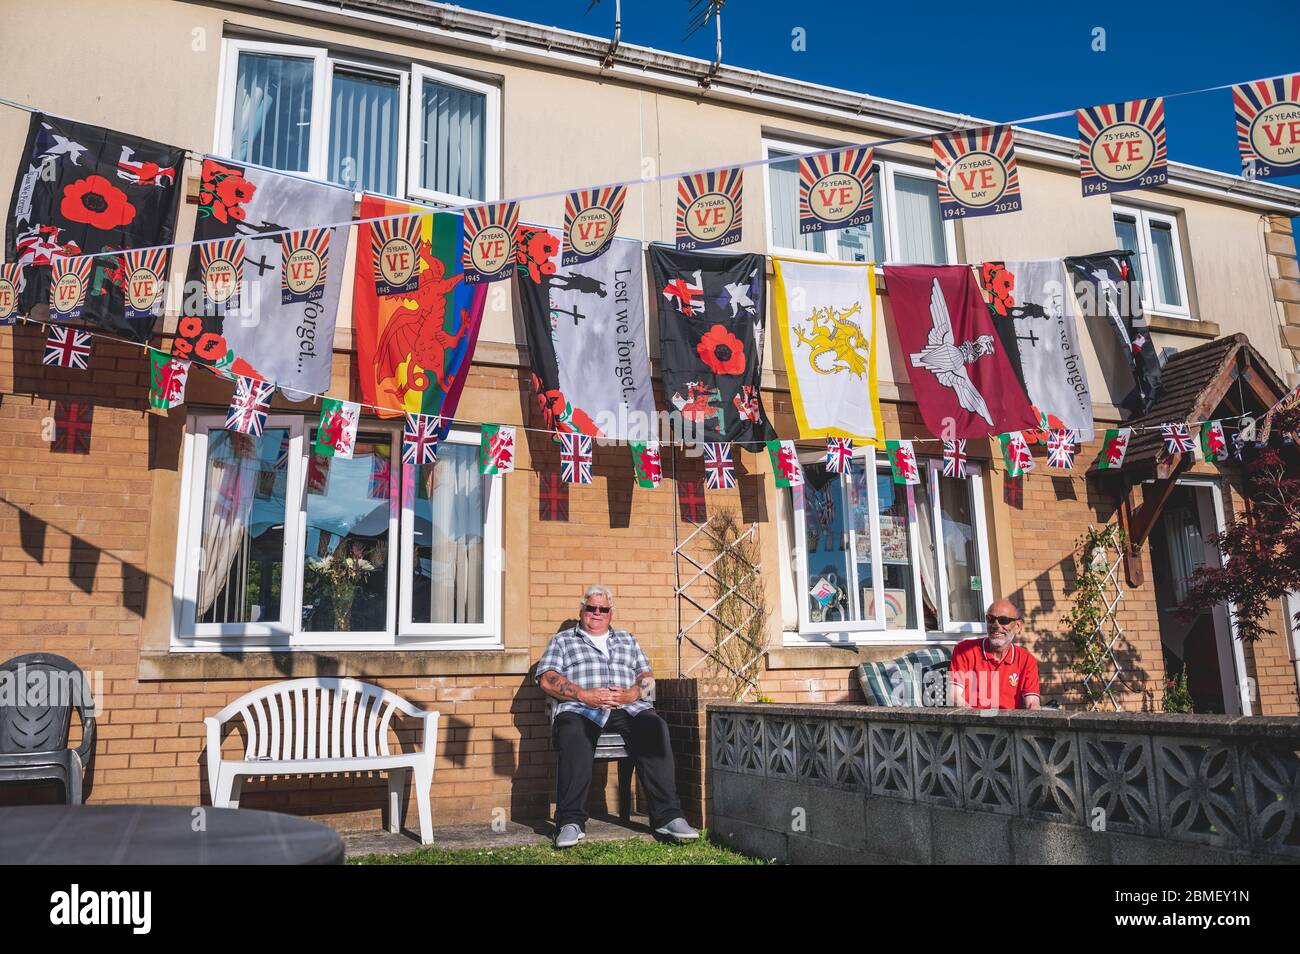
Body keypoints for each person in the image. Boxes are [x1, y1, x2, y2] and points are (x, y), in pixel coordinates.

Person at [536, 584, 700, 848]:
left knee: (655, 727)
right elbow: (547, 679)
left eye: (603, 609)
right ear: (582, 610)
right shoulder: (563, 640)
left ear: (611, 613)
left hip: (628, 708)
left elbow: (646, 678)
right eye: (591, 608)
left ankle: (668, 817)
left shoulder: (627, 639)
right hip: (581, 708)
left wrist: (632, 694)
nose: (597, 613)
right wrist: (583, 695)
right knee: (572, 733)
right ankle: (570, 822)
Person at [948, 598, 1041, 710]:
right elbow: (954, 696)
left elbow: (1032, 703)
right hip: (972, 722)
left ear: (1017, 626)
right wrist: (975, 721)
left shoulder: (1026, 660)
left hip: (1010, 724)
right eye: (990, 619)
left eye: (1003, 620)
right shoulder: (964, 650)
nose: (995, 625)